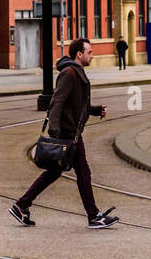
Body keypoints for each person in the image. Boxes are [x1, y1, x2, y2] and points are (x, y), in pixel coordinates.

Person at [9, 37, 117, 229]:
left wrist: (94, 110)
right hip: (67, 134)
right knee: (82, 173)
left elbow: (77, 104)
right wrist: (55, 131)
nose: (92, 55)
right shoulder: (69, 74)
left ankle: (22, 205)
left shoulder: (76, 72)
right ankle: (94, 216)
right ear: (79, 54)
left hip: (71, 132)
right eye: (89, 52)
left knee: (55, 172)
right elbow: (56, 102)